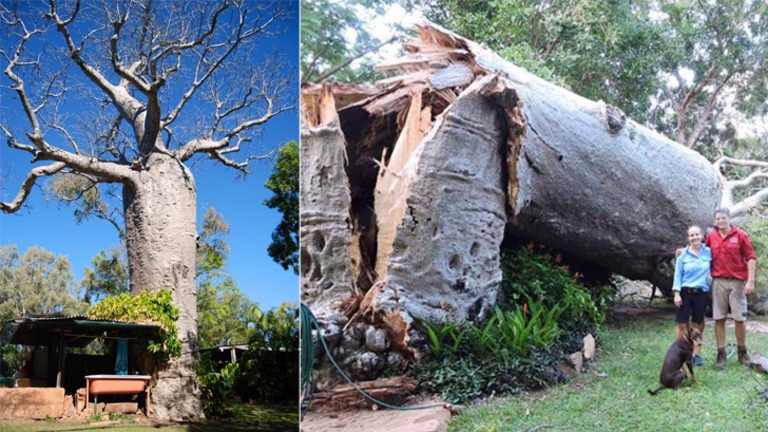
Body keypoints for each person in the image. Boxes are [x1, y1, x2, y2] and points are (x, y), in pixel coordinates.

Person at [706, 207, 757, 369]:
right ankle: (721, 354)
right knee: (718, 318)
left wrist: (751, 281)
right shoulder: (711, 237)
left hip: (738, 283)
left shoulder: (740, 235)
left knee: (739, 319)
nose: (721, 221)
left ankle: (742, 352)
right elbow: (701, 253)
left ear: (729, 218)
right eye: (718, 218)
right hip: (719, 282)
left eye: (723, 217)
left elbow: (751, 258)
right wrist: (683, 251)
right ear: (715, 221)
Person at [672, 225, 711, 367]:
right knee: (682, 324)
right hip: (685, 292)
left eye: (697, 234)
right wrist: (676, 293)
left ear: (702, 236)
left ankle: (696, 354)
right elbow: (678, 275)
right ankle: (679, 352)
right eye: (691, 235)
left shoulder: (708, 252)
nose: (694, 237)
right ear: (688, 238)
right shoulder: (683, 255)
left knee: (698, 324)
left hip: (701, 293)